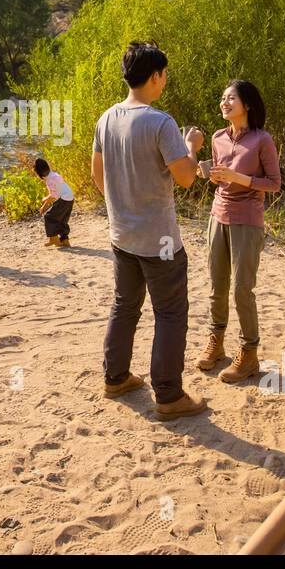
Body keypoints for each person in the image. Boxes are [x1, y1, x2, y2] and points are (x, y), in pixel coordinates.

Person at [92, 41, 208, 421]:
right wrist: (191, 146)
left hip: (121, 236)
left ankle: (116, 377)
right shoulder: (161, 122)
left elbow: (98, 177)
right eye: (164, 76)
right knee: (170, 313)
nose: (164, 83)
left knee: (125, 306)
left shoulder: (106, 119)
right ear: (155, 76)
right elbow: (187, 178)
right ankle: (170, 396)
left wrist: (124, 204)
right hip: (159, 240)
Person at [196, 79, 282, 382]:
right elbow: (222, 179)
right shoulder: (219, 137)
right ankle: (216, 343)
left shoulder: (262, 140)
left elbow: (274, 183)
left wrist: (240, 178)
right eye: (222, 98)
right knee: (216, 287)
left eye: (231, 98)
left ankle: (249, 354)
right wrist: (212, 174)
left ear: (247, 104)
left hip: (247, 219)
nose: (224, 102)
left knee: (241, 289)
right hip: (218, 217)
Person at [34, 157, 74, 248]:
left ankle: (54, 238)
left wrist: (45, 200)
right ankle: (64, 240)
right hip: (70, 198)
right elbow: (54, 193)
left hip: (64, 198)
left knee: (49, 217)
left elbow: (52, 194)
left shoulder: (49, 180)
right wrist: (44, 206)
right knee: (63, 219)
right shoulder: (54, 175)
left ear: (39, 173)